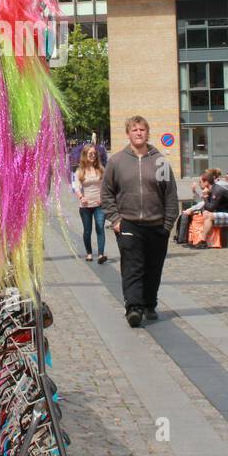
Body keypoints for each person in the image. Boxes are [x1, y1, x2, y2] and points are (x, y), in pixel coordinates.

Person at [101, 115, 179, 328]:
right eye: (134, 130)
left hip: (157, 224)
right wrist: (116, 220)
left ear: (147, 133)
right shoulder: (117, 162)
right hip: (129, 223)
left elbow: (170, 195)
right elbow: (106, 193)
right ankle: (134, 307)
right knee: (132, 266)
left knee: (154, 267)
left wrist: (168, 224)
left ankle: (149, 302)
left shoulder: (160, 161)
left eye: (142, 130)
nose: (138, 133)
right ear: (128, 133)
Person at [71, 144, 108, 264]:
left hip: (99, 204)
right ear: (85, 155)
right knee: (87, 230)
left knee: (100, 227)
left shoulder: (101, 169)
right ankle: (89, 253)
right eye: (90, 154)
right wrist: (81, 197)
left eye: (94, 154)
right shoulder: (80, 171)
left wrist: (103, 199)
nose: (92, 156)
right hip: (85, 206)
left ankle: (101, 254)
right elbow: (76, 187)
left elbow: (106, 186)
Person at [190, 171, 228, 248]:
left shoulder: (217, 190)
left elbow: (211, 208)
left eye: (200, 182)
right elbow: (206, 207)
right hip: (225, 213)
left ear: (206, 182)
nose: (199, 184)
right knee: (204, 214)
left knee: (209, 216)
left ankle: (203, 241)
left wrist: (205, 196)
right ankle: (194, 239)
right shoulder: (211, 190)